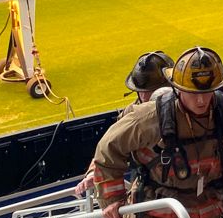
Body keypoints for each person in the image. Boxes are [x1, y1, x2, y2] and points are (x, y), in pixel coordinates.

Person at [91, 47, 223, 218]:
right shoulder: (152, 117)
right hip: (154, 216)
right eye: (193, 93)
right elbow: (108, 148)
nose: (201, 101)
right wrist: (111, 199)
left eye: (207, 92)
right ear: (176, 89)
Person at [74, 51, 175, 197]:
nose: (144, 97)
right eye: (140, 91)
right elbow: (110, 145)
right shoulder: (132, 113)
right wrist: (92, 173)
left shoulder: (186, 108)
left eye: (150, 91)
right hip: (150, 189)